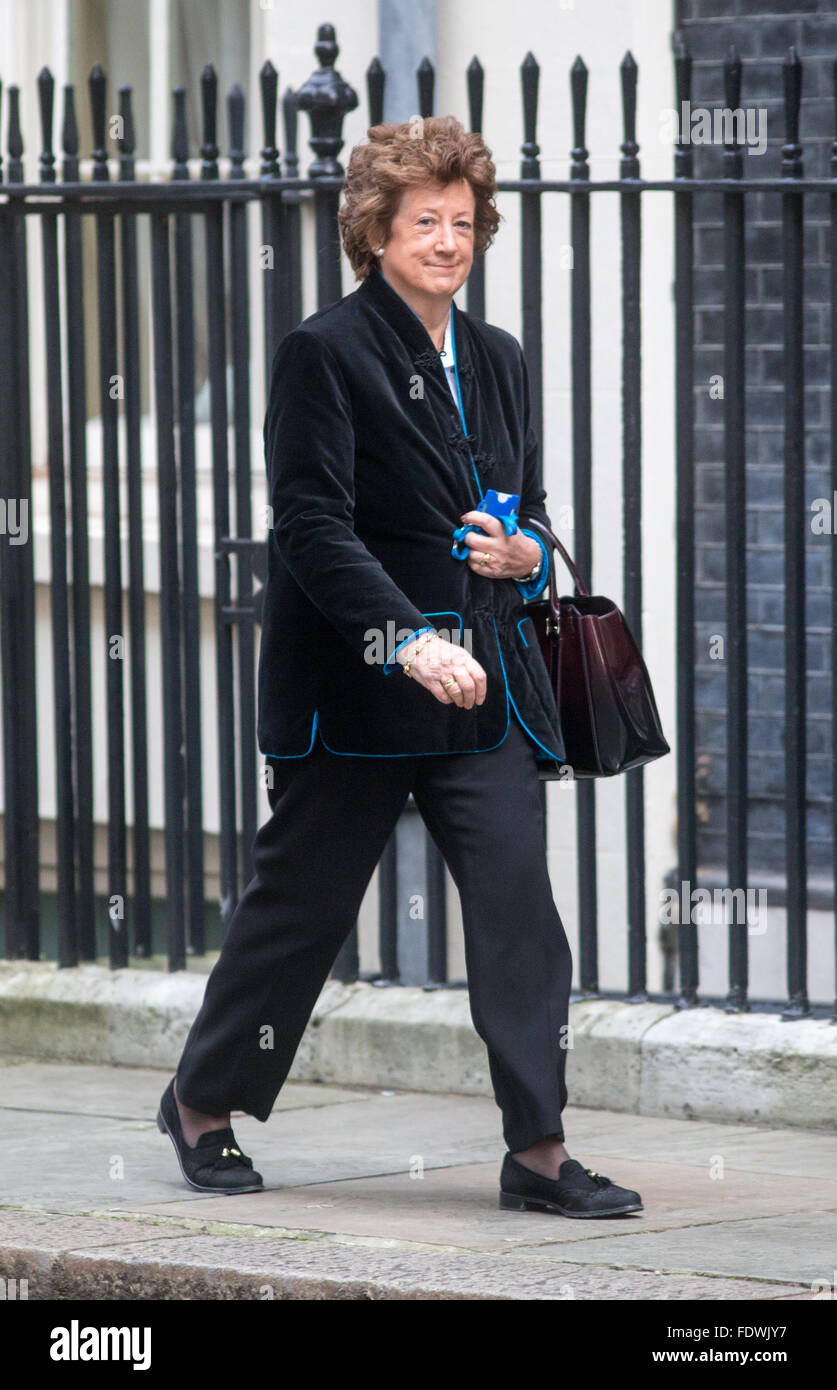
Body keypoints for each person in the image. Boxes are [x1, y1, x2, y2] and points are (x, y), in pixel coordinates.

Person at [156, 116, 643, 1219]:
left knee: (521, 905)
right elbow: (312, 528)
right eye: (425, 220)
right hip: (360, 694)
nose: (449, 240)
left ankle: (540, 1147)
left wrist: (523, 556)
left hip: (486, 693)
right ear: (375, 231)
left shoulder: (502, 356)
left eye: (464, 221)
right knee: (301, 913)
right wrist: (405, 640)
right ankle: (200, 1101)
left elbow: (528, 507)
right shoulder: (323, 352)